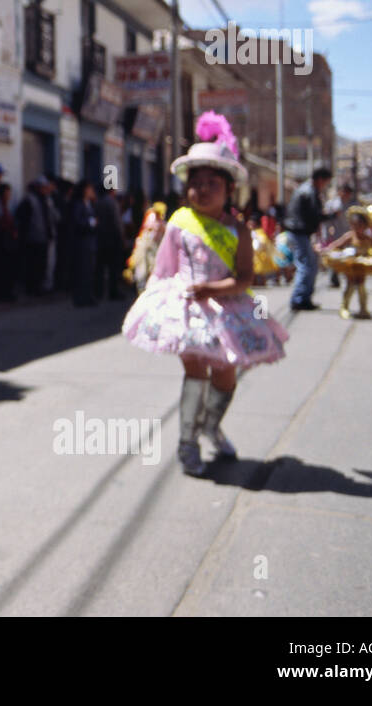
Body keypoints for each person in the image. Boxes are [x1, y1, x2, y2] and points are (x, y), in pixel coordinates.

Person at [122, 112, 288, 476]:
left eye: (212, 181)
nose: (202, 189)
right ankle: (187, 442)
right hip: (186, 312)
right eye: (195, 182)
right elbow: (164, 269)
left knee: (225, 377)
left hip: (226, 311)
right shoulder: (179, 223)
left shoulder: (239, 231)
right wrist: (155, 298)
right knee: (194, 373)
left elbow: (244, 278)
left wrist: (213, 288)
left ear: (230, 188)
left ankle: (211, 426)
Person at [281, 166, 335, 311]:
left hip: (300, 232)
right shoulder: (309, 191)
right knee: (305, 266)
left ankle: (304, 298)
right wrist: (331, 216)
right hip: (299, 232)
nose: (326, 186)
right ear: (320, 179)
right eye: (326, 182)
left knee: (310, 265)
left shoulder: (307, 189)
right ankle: (299, 299)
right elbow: (315, 215)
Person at [321, 207, 372, 319]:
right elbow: (337, 244)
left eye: (360, 225)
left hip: (362, 264)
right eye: (354, 225)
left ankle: (363, 309)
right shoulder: (350, 236)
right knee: (350, 285)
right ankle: (344, 308)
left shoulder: (367, 237)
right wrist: (327, 250)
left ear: (365, 226)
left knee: (361, 286)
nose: (357, 228)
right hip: (350, 264)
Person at [123, 200, 166, 293]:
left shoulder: (161, 222)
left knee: (153, 270)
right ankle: (141, 290)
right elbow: (145, 232)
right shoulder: (151, 217)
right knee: (141, 271)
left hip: (153, 249)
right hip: (144, 248)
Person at [70, 182, 99, 307]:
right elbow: (78, 222)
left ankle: (88, 296)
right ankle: (81, 298)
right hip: (82, 243)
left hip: (90, 242)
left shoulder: (90, 204)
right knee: (82, 270)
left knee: (89, 271)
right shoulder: (79, 204)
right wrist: (91, 222)